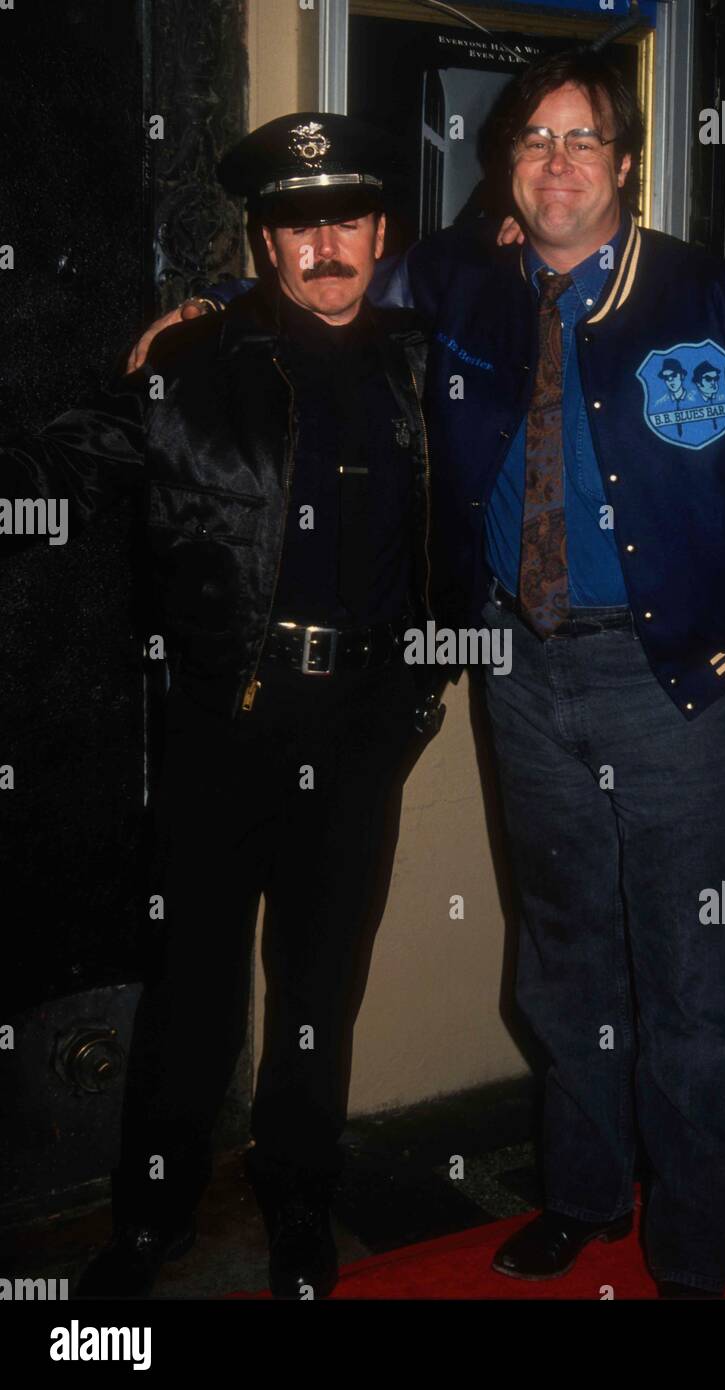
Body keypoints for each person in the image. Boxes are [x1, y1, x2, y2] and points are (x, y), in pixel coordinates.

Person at [131, 49, 725, 1299]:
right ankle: (585, 1195)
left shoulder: (717, 301)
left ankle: (695, 1254)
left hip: (679, 684)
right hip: (525, 679)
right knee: (564, 962)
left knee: (693, 988)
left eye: (582, 139)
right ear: (506, 166)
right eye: (532, 141)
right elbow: (331, 281)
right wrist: (216, 300)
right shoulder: (463, 281)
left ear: (627, 162)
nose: (555, 163)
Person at [0, 112, 445, 1300]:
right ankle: (151, 1222)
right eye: (297, 225)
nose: (325, 244)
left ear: (381, 230)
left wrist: (417, 695)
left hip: (359, 733)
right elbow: (60, 463)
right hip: (220, 730)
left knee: (319, 993)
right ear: (263, 244)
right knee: (190, 992)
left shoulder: (428, 362)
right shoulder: (193, 365)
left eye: (346, 218)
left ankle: (300, 1202)